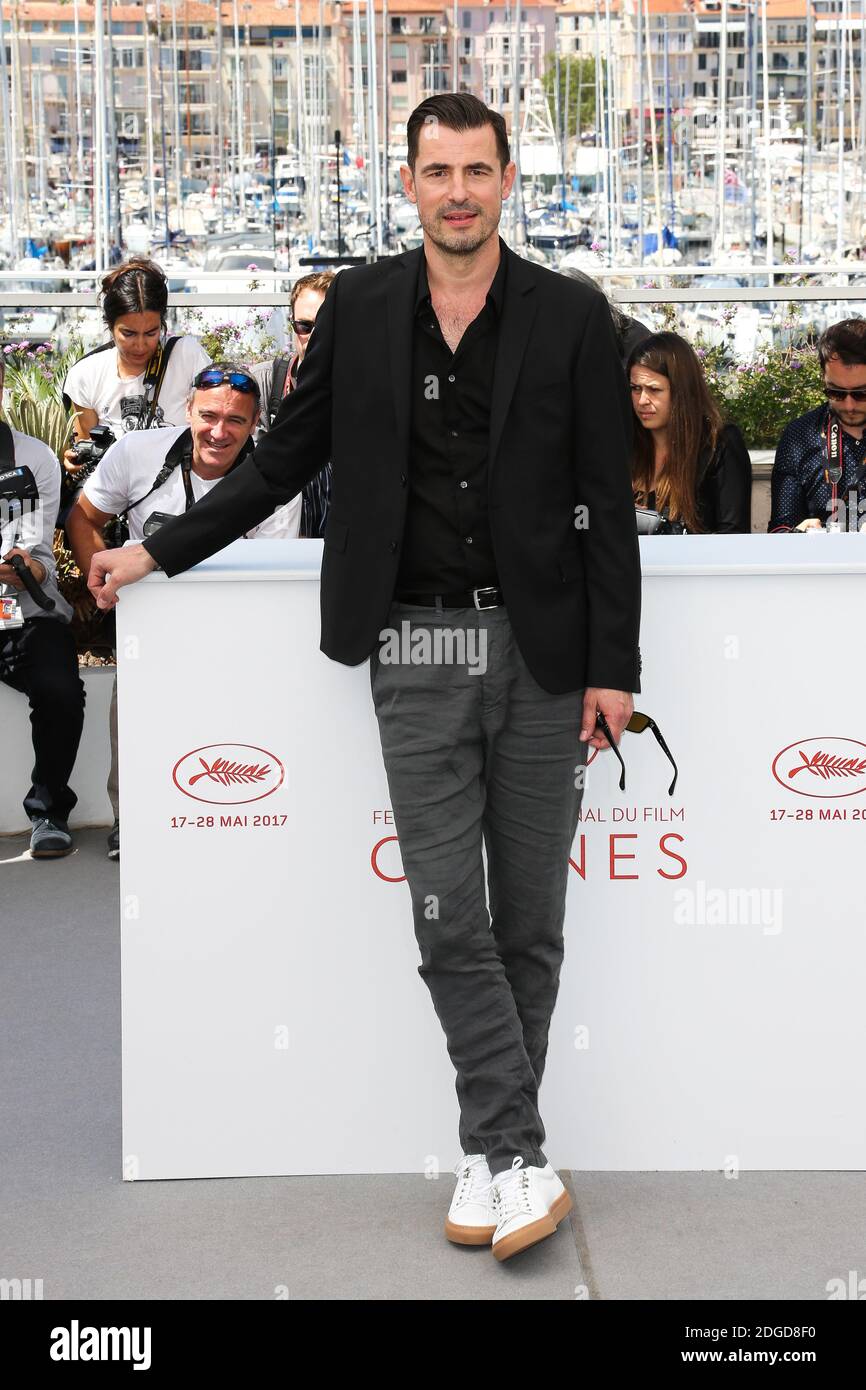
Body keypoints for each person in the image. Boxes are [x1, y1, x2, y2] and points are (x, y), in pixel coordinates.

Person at [86, 94, 642, 1263]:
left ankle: (495, 1156)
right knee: (448, 918)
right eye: (435, 171)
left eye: (476, 171)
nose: (456, 191)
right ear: (407, 183)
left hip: (543, 658)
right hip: (415, 647)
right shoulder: (362, 306)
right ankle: (515, 1153)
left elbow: (607, 506)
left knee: (529, 924)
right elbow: (285, 455)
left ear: (505, 182)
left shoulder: (576, 317)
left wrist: (612, 667)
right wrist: (154, 547)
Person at [67, 364, 302, 860]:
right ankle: (129, 821)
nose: (219, 432)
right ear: (187, 411)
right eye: (209, 415)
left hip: (235, 630)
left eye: (236, 421)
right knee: (133, 719)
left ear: (256, 422)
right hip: (148, 626)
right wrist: (100, 583)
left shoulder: (277, 481)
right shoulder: (136, 452)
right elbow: (84, 517)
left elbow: (269, 575)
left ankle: (230, 818)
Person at [0, 361, 86, 858]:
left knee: (60, 691)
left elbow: (31, 554)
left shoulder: (30, 457)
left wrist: (23, 565)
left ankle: (49, 811)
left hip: (28, 613)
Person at [62, 257, 211, 487]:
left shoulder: (187, 356)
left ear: (162, 324)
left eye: (151, 333)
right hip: (116, 495)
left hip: (181, 491)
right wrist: (76, 463)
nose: (140, 346)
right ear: (110, 327)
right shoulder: (86, 374)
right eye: (129, 334)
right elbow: (87, 450)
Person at [628, 331, 752, 533]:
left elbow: (733, 536)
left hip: (697, 563)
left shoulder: (718, 444)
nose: (642, 400)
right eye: (635, 388)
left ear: (681, 391)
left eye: (654, 390)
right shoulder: (625, 443)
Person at [250, 270, 335, 538]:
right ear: (293, 326)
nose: (314, 336)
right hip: (279, 543)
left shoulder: (368, 387)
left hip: (344, 548)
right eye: (305, 327)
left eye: (327, 325)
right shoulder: (265, 382)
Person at [769, 318, 866, 533]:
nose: (849, 405)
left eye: (862, 393)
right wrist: (797, 533)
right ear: (823, 377)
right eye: (836, 393)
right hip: (824, 564)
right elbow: (779, 530)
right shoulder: (799, 436)